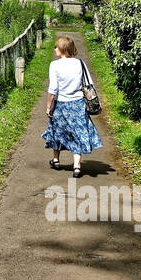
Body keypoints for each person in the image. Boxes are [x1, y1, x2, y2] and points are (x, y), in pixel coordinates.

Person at [41, 34, 102, 178]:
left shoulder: (55, 65)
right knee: (77, 132)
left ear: (62, 49)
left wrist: (48, 106)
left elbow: (53, 89)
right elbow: (88, 83)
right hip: (78, 104)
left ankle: (56, 160)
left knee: (57, 130)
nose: (55, 49)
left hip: (61, 104)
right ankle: (77, 166)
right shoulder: (79, 63)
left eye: (56, 47)